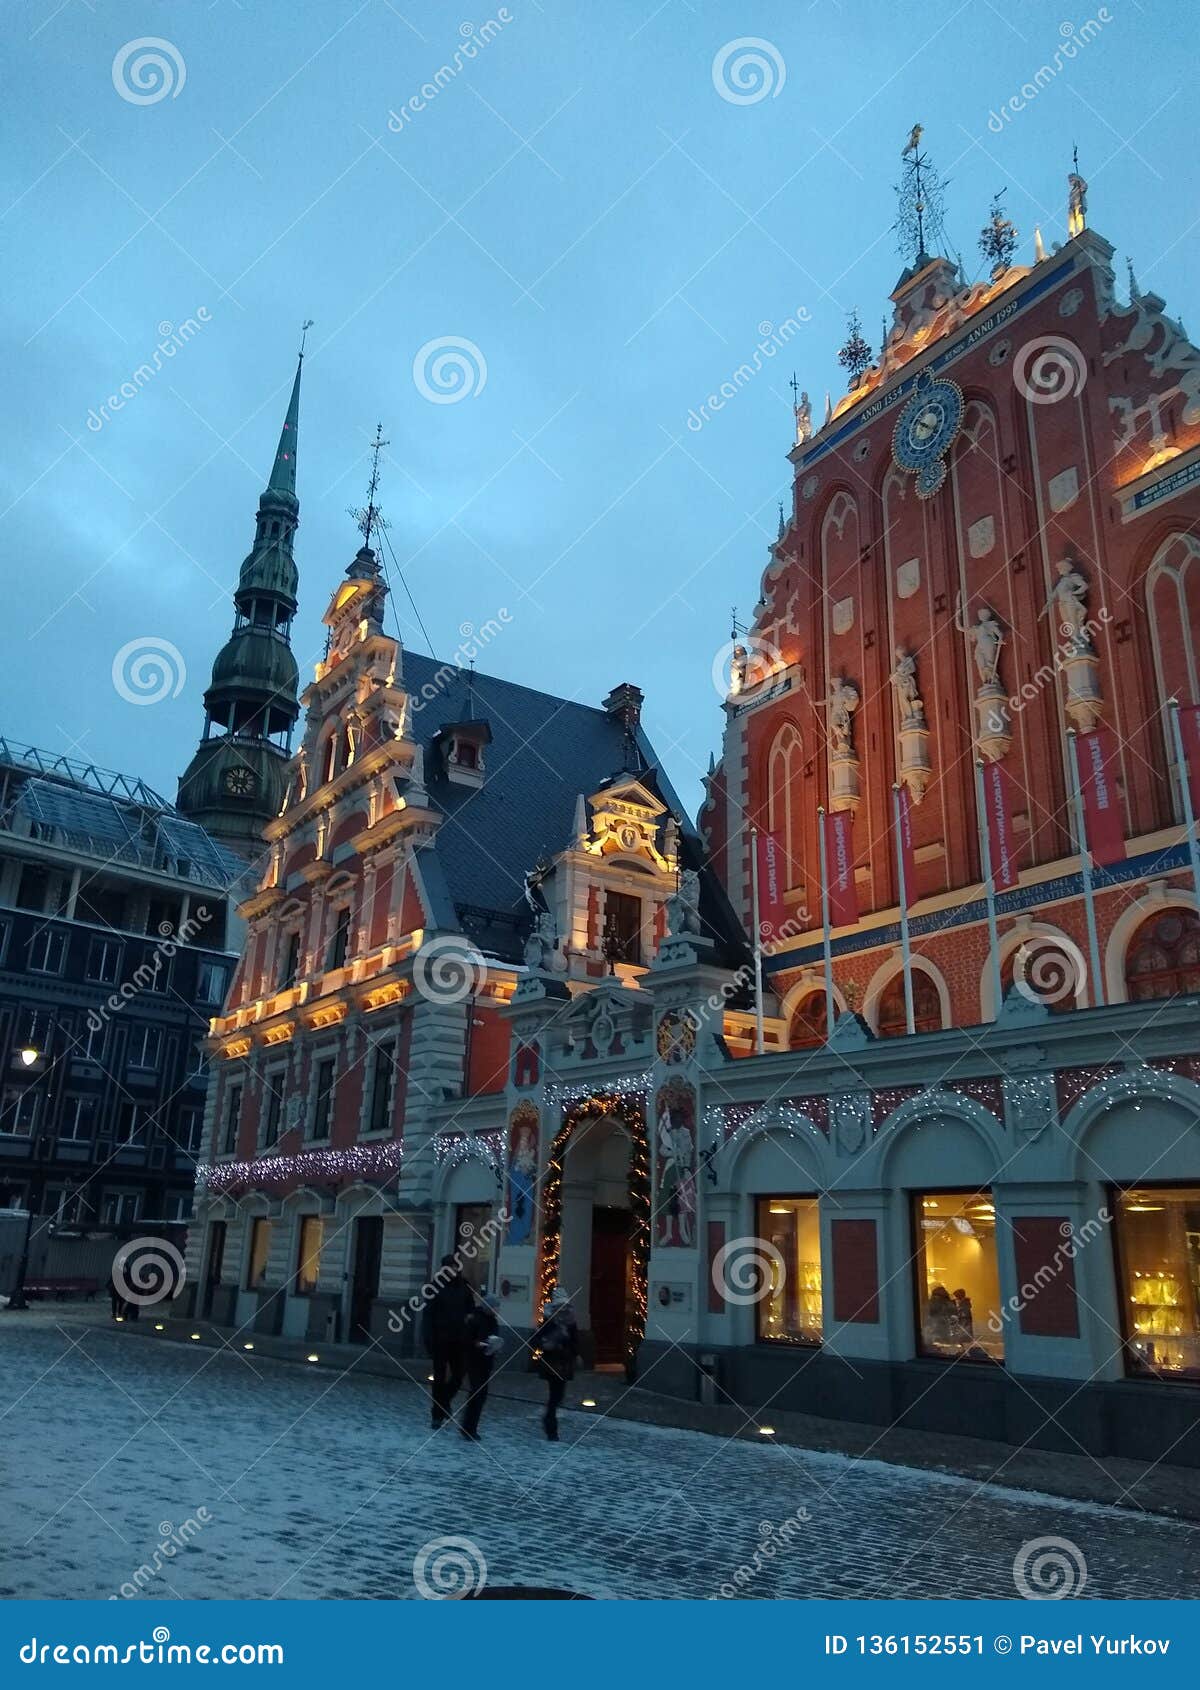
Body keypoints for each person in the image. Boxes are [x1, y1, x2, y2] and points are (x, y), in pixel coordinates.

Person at [420, 1256, 475, 1429]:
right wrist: (428, 1339)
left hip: (460, 1340)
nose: (452, 1270)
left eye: (454, 1267)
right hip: (440, 1340)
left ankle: (444, 1403)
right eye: (449, 1267)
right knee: (439, 1379)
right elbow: (428, 1316)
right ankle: (436, 1415)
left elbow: (471, 1309)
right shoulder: (434, 1288)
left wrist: (470, 1325)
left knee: (459, 1375)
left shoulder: (464, 1286)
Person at [532, 1288, 578, 1442]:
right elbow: (537, 1340)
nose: (562, 1309)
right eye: (560, 1306)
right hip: (552, 1363)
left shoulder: (571, 1321)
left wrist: (571, 1350)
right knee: (555, 1395)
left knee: (558, 1396)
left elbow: (575, 1342)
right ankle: (551, 1429)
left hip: (564, 1363)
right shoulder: (549, 1321)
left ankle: (549, 1422)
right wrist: (548, 1344)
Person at [460, 1291, 503, 1442]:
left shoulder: (493, 1321)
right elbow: (467, 1339)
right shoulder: (476, 1319)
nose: (498, 1310)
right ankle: (468, 1428)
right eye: (496, 1307)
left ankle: (470, 1426)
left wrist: (495, 1346)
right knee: (477, 1393)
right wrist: (478, 1343)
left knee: (481, 1394)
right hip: (474, 1360)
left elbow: (494, 1337)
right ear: (489, 1306)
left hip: (486, 1361)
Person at [926, 1283, 955, 1349]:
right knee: (944, 1339)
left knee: (937, 1340)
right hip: (945, 1322)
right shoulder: (947, 1298)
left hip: (936, 1323)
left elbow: (930, 1311)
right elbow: (952, 1311)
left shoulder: (934, 1299)